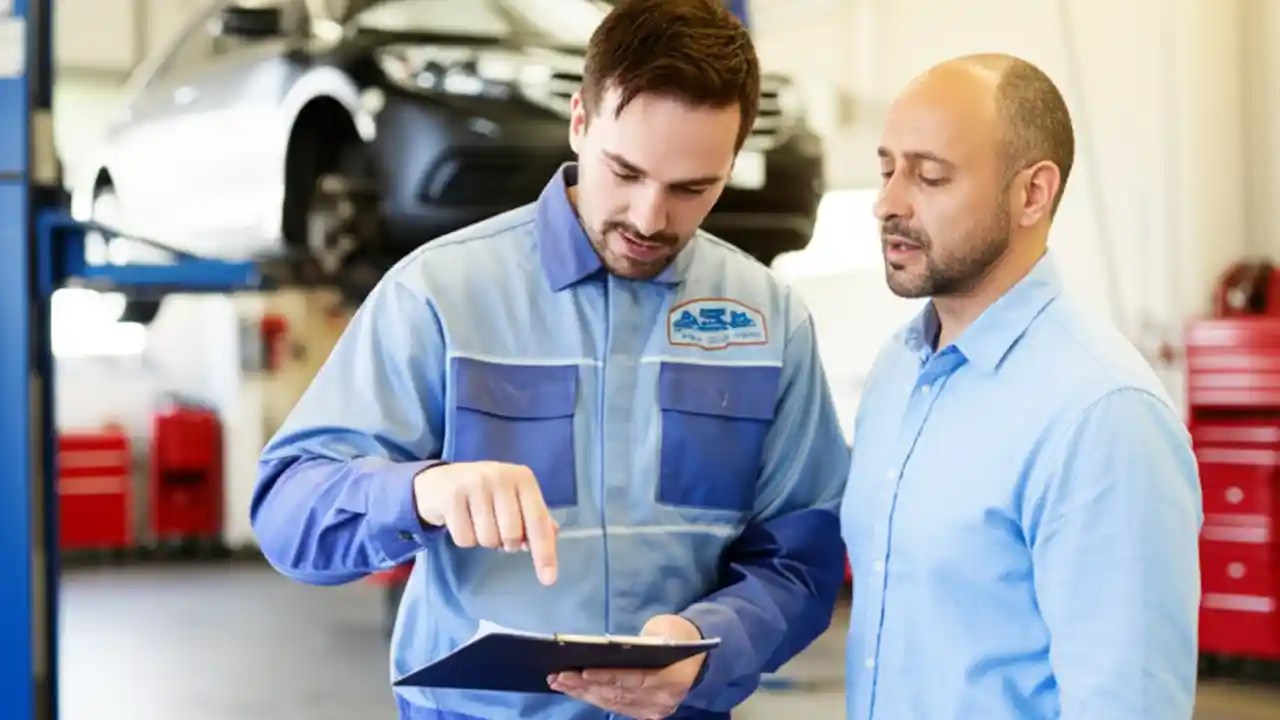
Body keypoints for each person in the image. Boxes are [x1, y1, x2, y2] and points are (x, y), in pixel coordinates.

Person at [250, 1, 850, 718]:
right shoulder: (439, 294)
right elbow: (288, 512)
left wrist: (712, 639)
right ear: (579, 122)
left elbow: (802, 554)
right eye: (624, 171)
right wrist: (423, 491)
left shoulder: (769, 321)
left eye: (693, 188)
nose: (649, 218)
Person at [842, 53, 1203, 719]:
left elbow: (1127, 704)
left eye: (929, 176)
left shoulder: (1102, 415)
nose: (887, 204)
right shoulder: (897, 372)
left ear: (1033, 194)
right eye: (887, 169)